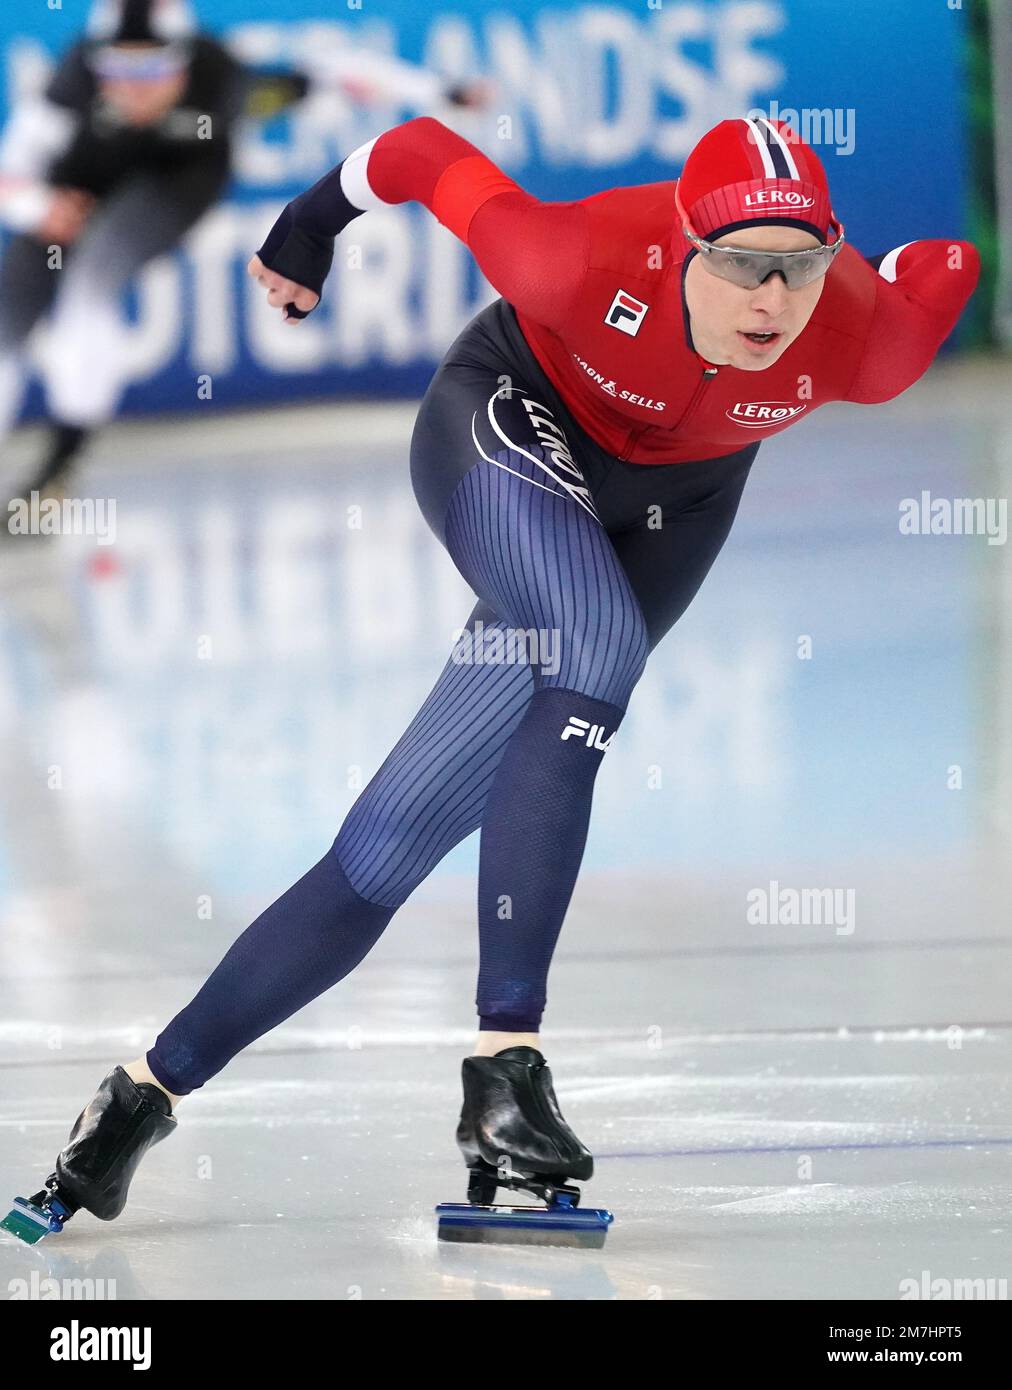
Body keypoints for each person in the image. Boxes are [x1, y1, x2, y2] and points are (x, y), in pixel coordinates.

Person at [3, 114, 979, 1243]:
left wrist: (893, 269)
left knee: (387, 843)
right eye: (739, 265)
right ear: (681, 250)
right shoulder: (573, 255)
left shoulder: (865, 341)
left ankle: (136, 1095)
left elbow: (938, 266)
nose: (770, 301)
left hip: (679, 503)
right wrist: (307, 228)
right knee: (597, 649)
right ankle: (505, 1067)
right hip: (507, 420)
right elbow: (416, 148)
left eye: (798, 267)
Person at [0, 0, 488, 510]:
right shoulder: (73, 80)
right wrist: (37, 206)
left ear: (184, 60)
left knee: (89, 285)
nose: (134, 88)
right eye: (117, 68)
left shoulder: (221, 82)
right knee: (10, 315)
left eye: (152, 68)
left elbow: (333, 75)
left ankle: (55, 472)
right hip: (72, 194)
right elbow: (11, 173)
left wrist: (439, 92)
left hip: (175, 187)